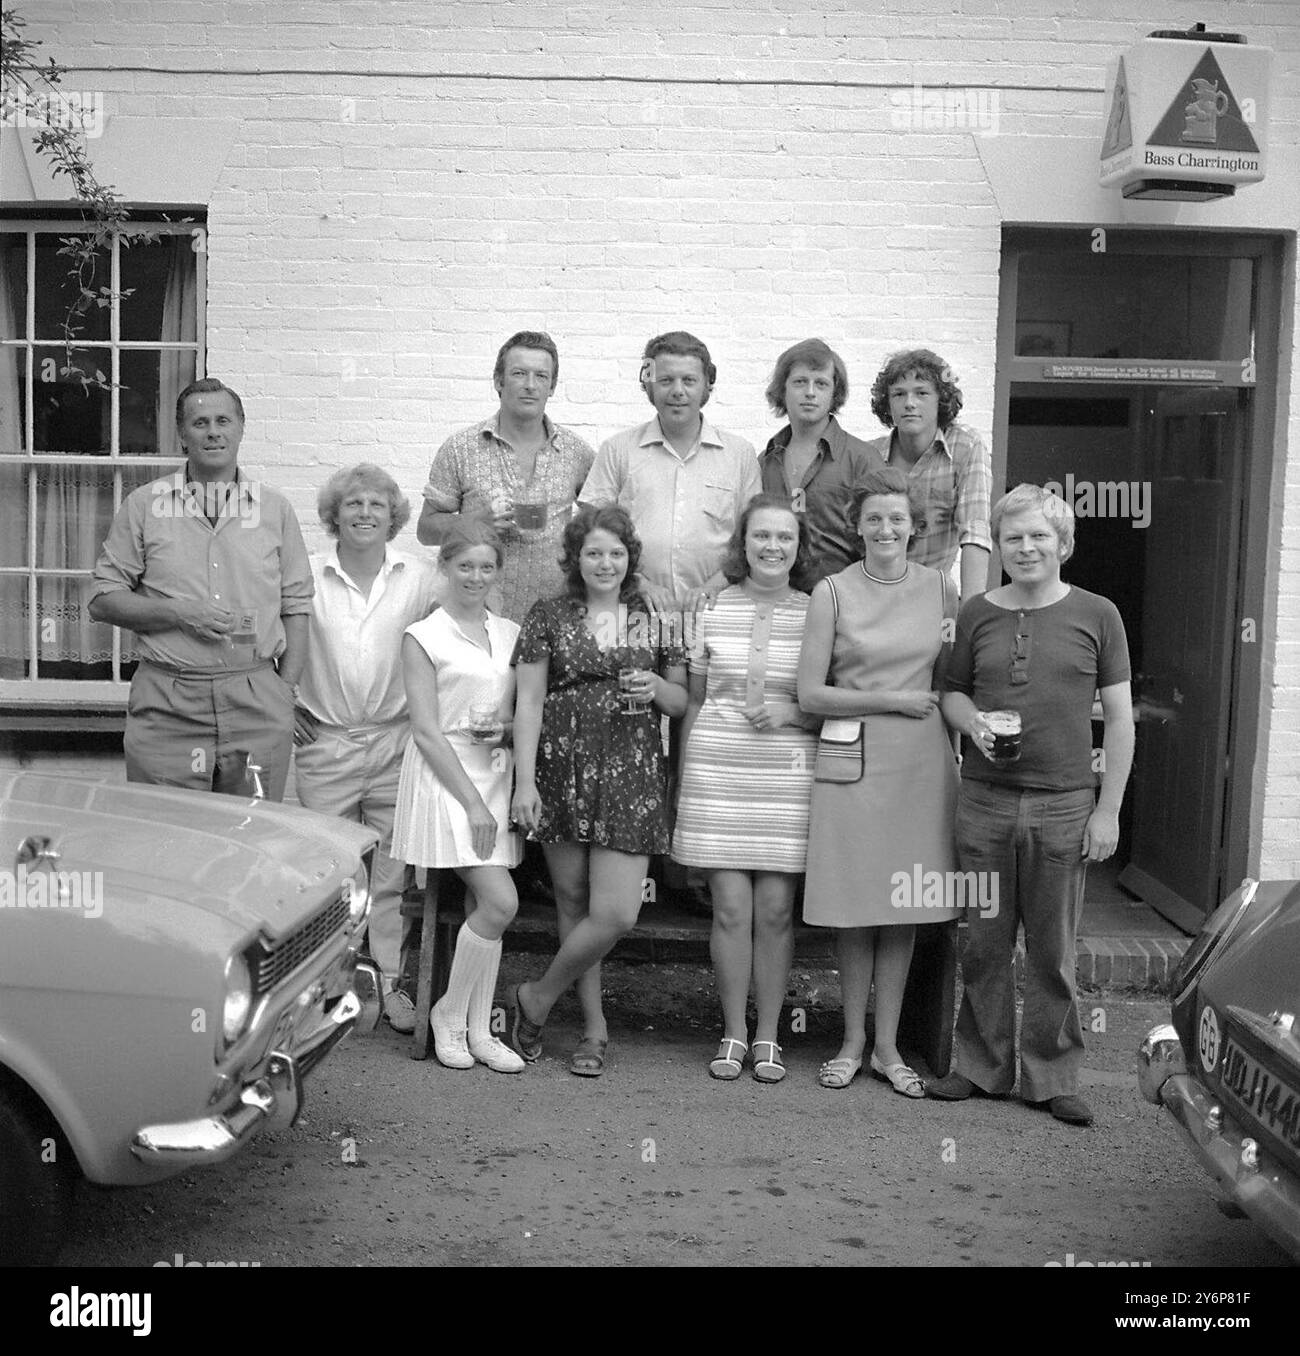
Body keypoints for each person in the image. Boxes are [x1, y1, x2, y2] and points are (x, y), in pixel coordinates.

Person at [928, 485, 1134, 1126]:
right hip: (985, 803)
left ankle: (1052, 1076)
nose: (1026, 547)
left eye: (1039, 536)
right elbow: (951, 695)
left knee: (1052, 951)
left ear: (1063, 544)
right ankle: (982, 1068)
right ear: (1001, 546)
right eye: (1013, 537)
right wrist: (974, 724)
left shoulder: (1099, 614)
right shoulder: (976, 613)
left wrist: (1108, 810)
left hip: (1065, 805)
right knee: (984, 944)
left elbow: (1122, 722)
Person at [508, 505, 689, 1076]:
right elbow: (529, 702)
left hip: (632, 771)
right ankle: (592, 1030)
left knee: (615, 913)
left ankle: (535, 997)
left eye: (615, 552)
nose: (605, 562)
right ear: (575, 559)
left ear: (630, 557)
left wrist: (658, 684)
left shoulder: (654, 614)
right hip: (562, 770)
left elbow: (683, 703)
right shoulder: (548, 613)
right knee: (574, 904)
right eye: (593, 553)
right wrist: (524, 781)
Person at [797, 466, 959, 1095]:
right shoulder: (831, 593)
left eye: (897, 518)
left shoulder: (942, 591)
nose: (886, 528)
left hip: (921, 765)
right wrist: (893, 699)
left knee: (903, 904)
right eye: (874, 519)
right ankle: (850, 1040)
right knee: (854, 906)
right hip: (852, 761)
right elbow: (809, 693)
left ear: (914, 527)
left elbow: (950, 684)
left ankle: (890, 1047)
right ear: (856, 528)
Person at [89, 378, 312, 800]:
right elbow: (103, 600)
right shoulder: (144, 505)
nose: (213, 431)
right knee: (169, 838)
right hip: (168, 703)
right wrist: (179, 613)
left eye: (223, 420)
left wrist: (285, 691)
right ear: (182, 434)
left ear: (241, 428)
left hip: (256, 700)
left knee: (252, 835)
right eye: (200, 422)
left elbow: (296, 605)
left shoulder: (274, 510)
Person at [672, 494, 819, 1083]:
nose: (773, 547)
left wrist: (791, 713)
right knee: (731, 909)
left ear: (798, 546)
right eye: (761, 536)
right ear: (743, 543)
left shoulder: (819, 610)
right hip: (719, 770)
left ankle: (770, 1036)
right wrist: (685, 778)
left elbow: (826, 703)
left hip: (787, 776)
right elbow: (697, 700)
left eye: (784, 537)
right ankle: (733, 1032)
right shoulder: (711, 606)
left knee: (778, 910)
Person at [292, 464, 442, 1033]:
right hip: (325, 744)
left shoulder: (420, 579)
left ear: (393, 516)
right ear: (335, 514)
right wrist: (284, 704)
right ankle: (325, 992)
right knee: (328, 873)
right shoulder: (304, 575)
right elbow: (267, 640)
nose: (364, 514)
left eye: (377, 505)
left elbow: (449, 646)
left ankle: (390, 983)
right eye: (353, 504)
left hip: (395, 742)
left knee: (389, 876)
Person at [390, 519, 525, 1073]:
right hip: (446, 781)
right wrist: (471, 803)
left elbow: (521, 710)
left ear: (498, 571)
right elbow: (425, 729)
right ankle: (447, 1012)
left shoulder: (512, 633)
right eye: (464, 565)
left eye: (486, 566)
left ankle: (477, 1029)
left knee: (481, 909)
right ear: (444, 568)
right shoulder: (423, 635)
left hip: (496, 773)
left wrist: (510, 727)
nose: (475, 576)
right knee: (500, 902)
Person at [416, 330, 596, 623]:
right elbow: (425, 529)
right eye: (518, 373)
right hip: (480, 618)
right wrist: (476, 521)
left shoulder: (577, 453)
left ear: (552, 386)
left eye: (541, 376)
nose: (530, 385)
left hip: (556, 618)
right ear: (499, 381)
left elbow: (601, 525)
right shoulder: (460, 448)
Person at [580, 330, 760, 617]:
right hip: (632, 611)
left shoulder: (739, 454)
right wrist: (640, 583)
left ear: (707, 386)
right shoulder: (617, 450)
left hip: (716, 612)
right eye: (665, 380)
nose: (678, 391)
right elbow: (589, 532)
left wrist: (712, 587)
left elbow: (754, 536)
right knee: (635, 666)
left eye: (689, 380)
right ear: (648, 386)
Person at [864, 348, 993, 601]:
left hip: (933, 596)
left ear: (940, 399)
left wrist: (972, 616)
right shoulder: (869, 454)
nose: (909, 403)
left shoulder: (964, 447)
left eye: (921, 393)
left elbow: (975, 532)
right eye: (899, 394)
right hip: (873, 595)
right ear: (887, 403)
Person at [757, 338, 880, 592]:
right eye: (800, 382)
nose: (810, 392)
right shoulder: (765, 461)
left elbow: (883, 539)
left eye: (821, 384)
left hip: (844, 605)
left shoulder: (863, 460)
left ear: (835, 393)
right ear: (783, 390)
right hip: (776, 604)